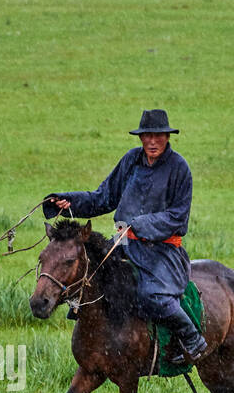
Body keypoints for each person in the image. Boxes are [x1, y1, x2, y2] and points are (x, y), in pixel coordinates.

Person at [44, 109, 207, 365]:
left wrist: (140, 223)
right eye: (147, 136)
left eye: (158, 136)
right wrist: (68, 202)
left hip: (162, 251)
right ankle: (107, 348)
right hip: (125, 244)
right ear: (141, 138)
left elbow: (178, 217)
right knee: (92, 280)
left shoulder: (179, 168)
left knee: (151, 295)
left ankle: (191, 340)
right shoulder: (131, 160)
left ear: (167, 137)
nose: (152, 141)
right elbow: (103, 198)